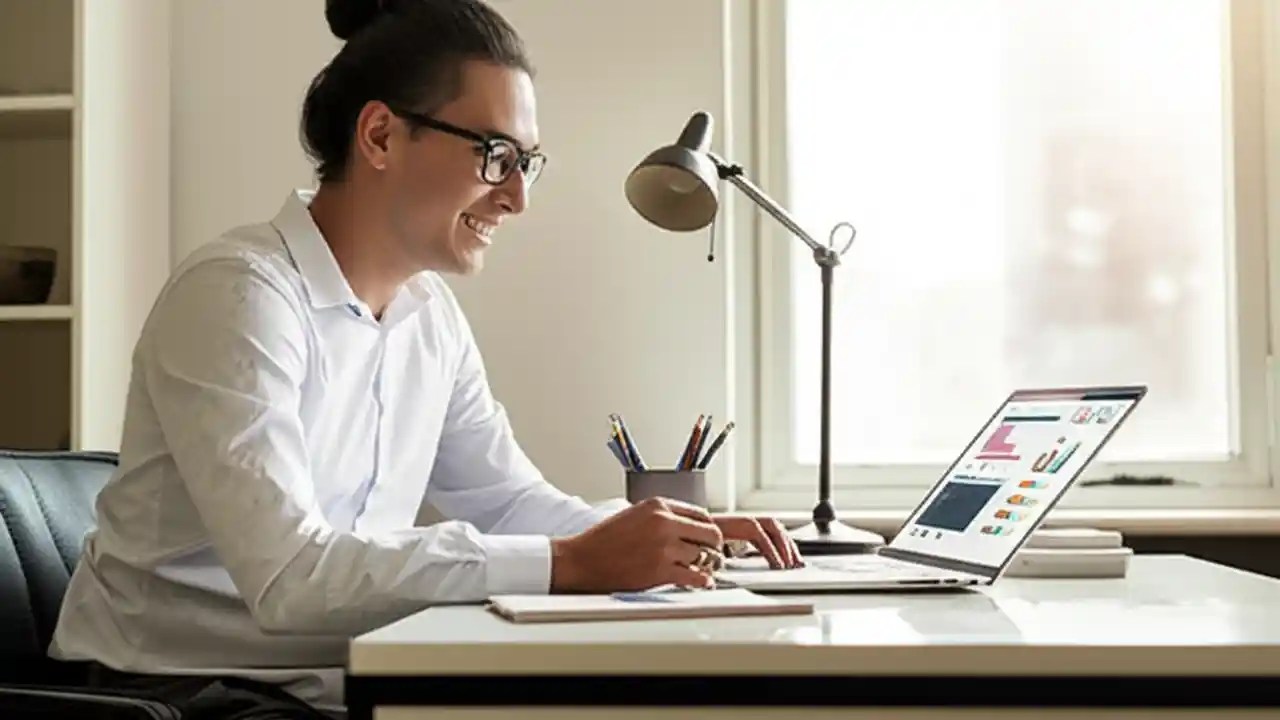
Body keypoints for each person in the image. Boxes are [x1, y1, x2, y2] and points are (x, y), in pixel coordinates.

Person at [49, 0, 802, 716]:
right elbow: (291, 579)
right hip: (176, 692)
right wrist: (570, 563)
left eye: (528, 163)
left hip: (335, 681)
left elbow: (509, 502)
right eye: (497, 156)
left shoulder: (427, 316)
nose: (517, 198)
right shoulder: (238, 297)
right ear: (380, 136)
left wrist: (671, 536)